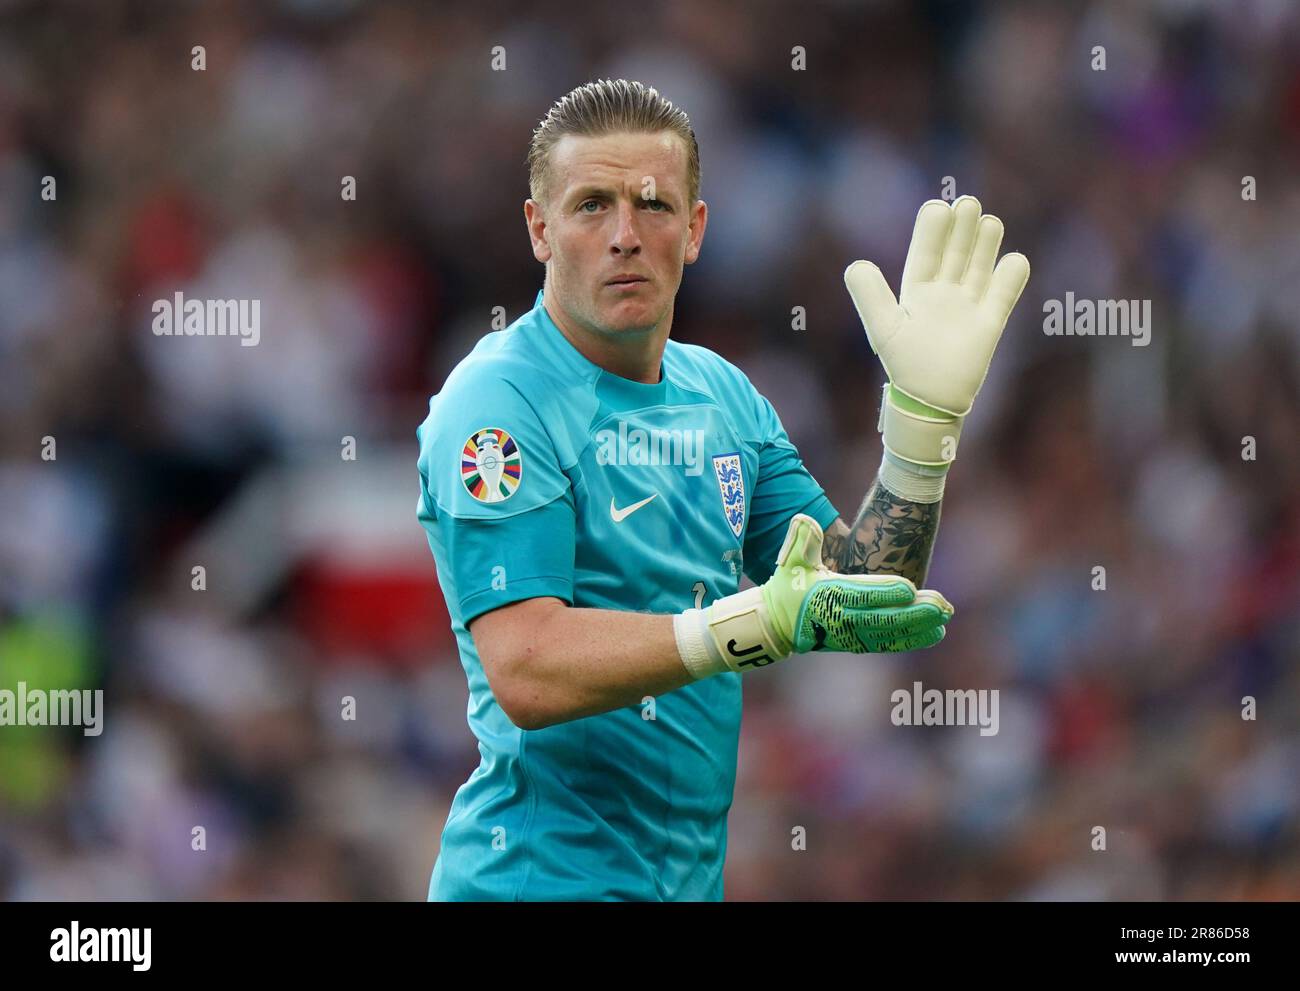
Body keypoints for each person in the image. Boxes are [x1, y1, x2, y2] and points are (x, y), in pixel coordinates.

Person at [415, 78, 1030, 900]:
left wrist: (919, 433)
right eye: (591, 205)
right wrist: (744, 626)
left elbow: (856, 599)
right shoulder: (499, 401)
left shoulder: (724, 397)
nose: (625, 236)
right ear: (540, 229)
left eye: (654, 205)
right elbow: (525, 668)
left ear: (695, 228)